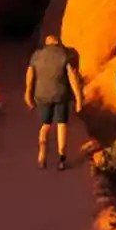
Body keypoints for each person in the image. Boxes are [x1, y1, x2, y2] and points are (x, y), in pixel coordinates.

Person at [25, 34, 85, 170]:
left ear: (46, 44)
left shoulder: (36, 56)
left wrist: (28, 95)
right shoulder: (64, 55)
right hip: (61, 95)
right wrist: (78, 98)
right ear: (57, 43)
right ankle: (61, 158)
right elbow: (72, 78)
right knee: (61, 125)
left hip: (42, 95)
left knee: (45, 124)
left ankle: (42, 153)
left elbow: (29, 77)